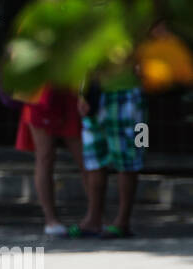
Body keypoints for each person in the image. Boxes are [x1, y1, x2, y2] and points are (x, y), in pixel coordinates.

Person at [76, 60, 146, 238]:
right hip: (93, 95)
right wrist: (82, 93)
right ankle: (93, 219)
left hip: (130, 95)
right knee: (94, 158)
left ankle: (122, 222)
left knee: (132, 156)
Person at [14, 86, 86, 238]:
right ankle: (51, 220)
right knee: (45, 156)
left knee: (85, 158)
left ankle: (96, 216)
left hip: (69, 90)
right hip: (40, 93)